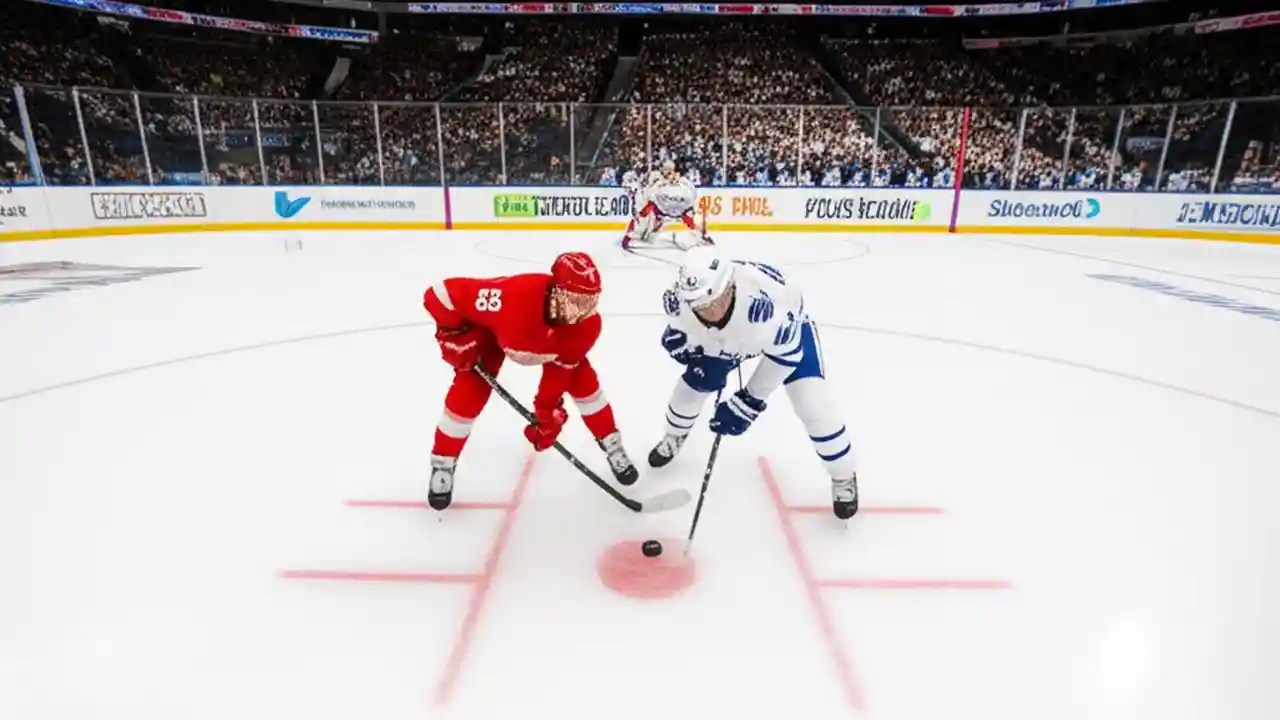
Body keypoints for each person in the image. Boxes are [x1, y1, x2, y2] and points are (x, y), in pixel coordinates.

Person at [650, 247, 859, 519]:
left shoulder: (771, 307)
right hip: (725, 341)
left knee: (813, 404)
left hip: (784, 339)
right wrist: (683, 349)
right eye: (700, 305)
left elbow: (787, 356)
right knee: (694, 385)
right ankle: (674, 435)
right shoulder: (681, 304)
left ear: (730, 286)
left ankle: (843, 475)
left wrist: (749, 400)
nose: (710, 312)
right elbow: (683, 339)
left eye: (715, 301)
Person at [422, 252, 638, 510]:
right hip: (490, 337)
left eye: (589, 303)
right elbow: (438, 294)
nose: (582, 312)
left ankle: (612, 445)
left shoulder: (586, 326)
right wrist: (452, 334)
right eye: (576, 301)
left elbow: (559, 371)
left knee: (586, 387)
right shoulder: (510, 298)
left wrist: (547, 415)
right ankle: (443, 462)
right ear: (556, 293)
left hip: (548, 346)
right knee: (467, 397)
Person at [622, 160, 711, 248]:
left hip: (680, 210)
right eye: (665, 169)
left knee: (693, 224)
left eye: (669, 170)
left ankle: (704, 235)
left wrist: (689, 207)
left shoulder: (683, 182)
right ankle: (631, 236)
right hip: (663, 209)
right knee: (644, 218)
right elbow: (651, 195)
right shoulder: (657, 180)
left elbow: (693, 194)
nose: (666, 172)